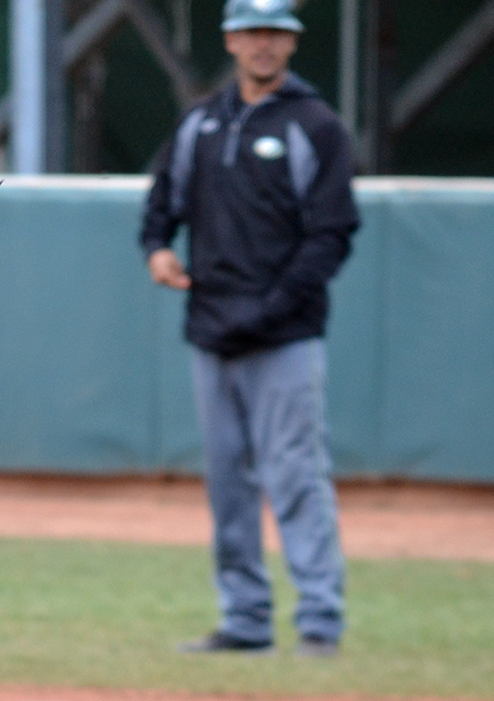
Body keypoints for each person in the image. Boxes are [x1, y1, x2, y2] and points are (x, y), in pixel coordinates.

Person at [141, 0, 358, 657]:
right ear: (231, 39)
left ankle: (318, 623)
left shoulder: (316, 125)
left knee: (296, 477)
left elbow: (332, 234)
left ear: (291, 43)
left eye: (276, 33)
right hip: (212, 330)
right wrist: (157, 247)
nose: (264, 44)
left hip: (284, 335)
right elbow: (160, 203)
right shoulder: (202, 121)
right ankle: (245, 620)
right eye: (252, 32)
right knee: (228, 485)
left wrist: (275, 305)